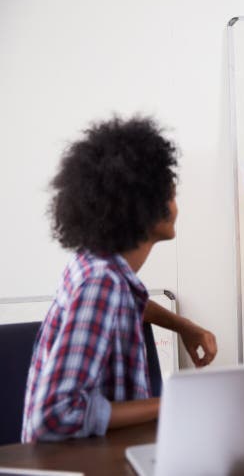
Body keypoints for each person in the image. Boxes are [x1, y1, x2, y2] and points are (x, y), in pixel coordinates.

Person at [22, 117, 217, 443]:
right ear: (144, 206)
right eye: (170, 195)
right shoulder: (102, 284)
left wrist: (185, 327)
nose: (175, 207)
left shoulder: (97, 265)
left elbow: (132, 303)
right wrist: (172, 402)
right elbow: (52, 414)